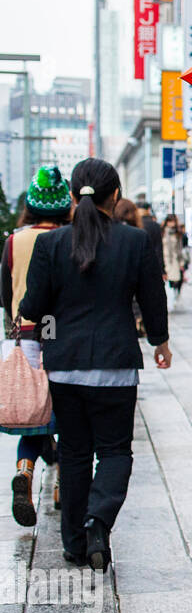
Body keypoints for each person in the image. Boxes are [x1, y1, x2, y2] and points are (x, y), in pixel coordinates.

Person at [19, 158, 171, 571]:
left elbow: (33, 307)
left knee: (74, 455)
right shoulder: (134, 242)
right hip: (116, 366)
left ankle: (74, 543)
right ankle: (98, 519)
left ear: (72, 196)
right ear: (115, 196)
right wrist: (160, 342)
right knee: (116, 451)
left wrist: (49, 329)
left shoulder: (50, 245)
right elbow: (153, 300)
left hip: (65, 367)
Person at [1, 165, 68, 526]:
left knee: (32, 413)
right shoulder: (67, 237)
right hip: (58, 329)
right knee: (59, 408)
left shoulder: (14, 240)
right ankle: (60, 484)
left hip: (23, 331)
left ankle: (25, 470)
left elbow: (4, 292)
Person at [161, 213, 187, 306]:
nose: (171, 224)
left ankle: (175, 295)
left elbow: (179, 248)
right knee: (166, 279)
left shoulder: (177, 233)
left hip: (175, 259)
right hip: (165, 259)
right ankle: (169, 298)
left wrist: (181, 262)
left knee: (176, 279)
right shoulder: (162, 232)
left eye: (173, 221)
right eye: (170, 221)